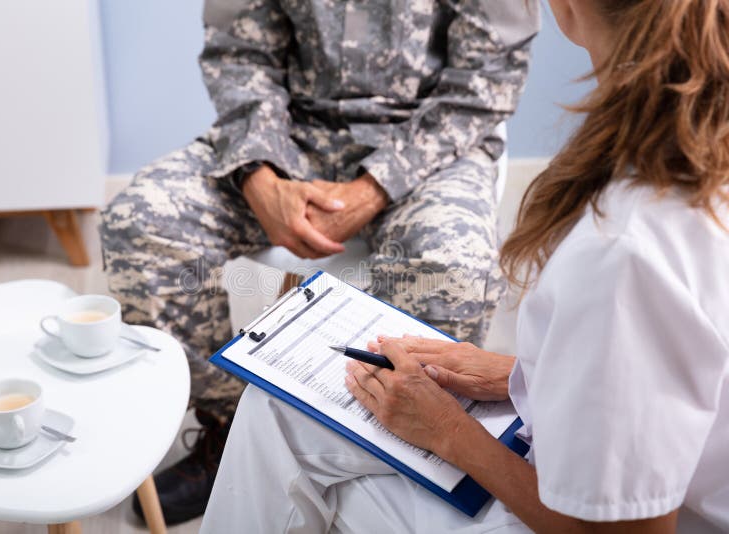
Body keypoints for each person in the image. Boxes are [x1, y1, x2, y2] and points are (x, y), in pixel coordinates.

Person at [201, 0, 729, 532]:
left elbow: (621, 531)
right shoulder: (689, 172)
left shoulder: (622, 249)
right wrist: (519, 374)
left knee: (278, 418)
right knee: (283, 408)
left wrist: (450, 432)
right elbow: (681, 373)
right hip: (668, 477)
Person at [99, 0, 540, 524]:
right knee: (139, 224)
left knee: (449, 267)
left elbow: (485, 79)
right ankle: (229, 427)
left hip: (426, 144)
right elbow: (239, 55)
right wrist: (259, 176)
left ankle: (404, 455)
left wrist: (374, 187)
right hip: (289, 133)